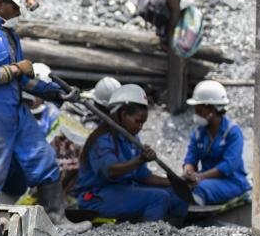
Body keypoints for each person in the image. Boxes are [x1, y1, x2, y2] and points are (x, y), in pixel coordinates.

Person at [0, 0, 89, 231]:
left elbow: (23, 80)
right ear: (1, 2)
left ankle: (57, 219)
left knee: (42, 157)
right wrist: (16, 68)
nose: (18, 14)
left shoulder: (10, 36)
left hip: (16, 112)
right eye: (16, 8)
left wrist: (55, 92)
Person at [74, 84, 188, 222]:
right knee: (158, 197)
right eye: (137, 121)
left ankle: (173, 231)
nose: (140, 127)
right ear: (123, 115)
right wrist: (139, 160)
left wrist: (176, 183)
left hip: (123, 190)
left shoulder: (132, 138)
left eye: (143, 123)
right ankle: (150, 233)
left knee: (177, 194)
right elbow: (110, 171)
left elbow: (143, 176)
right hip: (97, 196)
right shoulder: (102, 139)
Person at [181, 80, 251, 206]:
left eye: (199, 110)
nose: (196, 114)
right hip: (205, 180)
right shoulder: (198, 133)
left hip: (231, 182)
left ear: (212, 109)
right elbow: (191, 157)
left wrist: (199, 177)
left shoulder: (232, 132)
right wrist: (188, 173)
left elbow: (228, 166)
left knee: (199, 189)